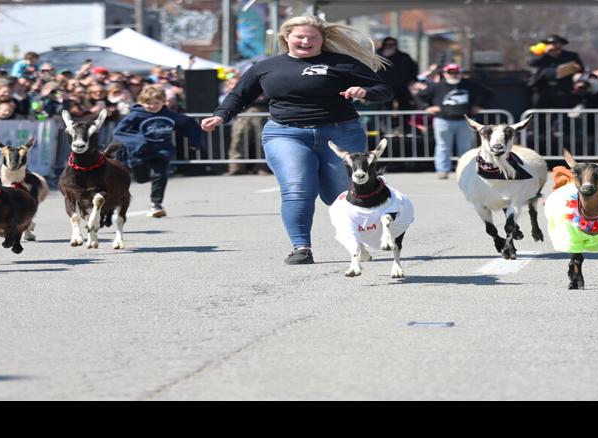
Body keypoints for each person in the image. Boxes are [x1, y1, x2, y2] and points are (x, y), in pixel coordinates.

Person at [202, 15, 392, 265]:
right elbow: (239, 95)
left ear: (322, 40)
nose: (306, 41)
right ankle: (301, 246)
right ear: (286, 38)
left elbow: (384, 90)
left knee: (342, 194)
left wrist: (364, 91)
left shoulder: (342, 63)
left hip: (340, 132)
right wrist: (220, 116)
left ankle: (358, 239)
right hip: (285, 133)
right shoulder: (265, 67)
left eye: (313, 37)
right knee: (297, 189)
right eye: (300, 36)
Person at [114, 85, 206, 218]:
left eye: (156, 103)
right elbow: (120, 131)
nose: (152, 106)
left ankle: (156, 204)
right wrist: (138, 142)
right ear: (141, 102)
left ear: (164, 102)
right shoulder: (135, 115)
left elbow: (188, 124)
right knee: (141, 178)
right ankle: (142, 177)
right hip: (140, 152)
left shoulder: (169, 115)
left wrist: (194, 141)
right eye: (148, 103)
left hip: (161, 150)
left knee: (160, 175)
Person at [416, 63, 491, 179]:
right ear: (445, 74)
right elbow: (419, 96)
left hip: (465, 121)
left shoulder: (469, 84)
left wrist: (478, 105)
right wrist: (427, 107)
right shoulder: (437, 86)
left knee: (465, 147)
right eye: (450, 72)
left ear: (460, 73)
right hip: (442, 120)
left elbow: (488, 93)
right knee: (443, 146)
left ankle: (465, 170)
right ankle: (442, 170)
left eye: (456, 72)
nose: (453, 75)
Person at [529, 35, 583, 109]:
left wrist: (576, 68)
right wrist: (545, 53)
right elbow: (532, 63)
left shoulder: (571, 56)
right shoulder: (541, 55)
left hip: (563, 88)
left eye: (555, 43)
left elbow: (581, 68)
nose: (552, 46)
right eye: (550, 44)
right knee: (539, 111)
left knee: (562, 111)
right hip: (543, 88)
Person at [375, 37, 420, 111]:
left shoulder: (404, 56)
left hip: (402, 87)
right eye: (387, 44)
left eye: (392, 44)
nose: (390, 46)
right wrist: (384, 56)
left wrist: (413, 80)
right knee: (385, 108)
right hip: (385, 87)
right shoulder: (377, 56)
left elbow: (413, 68)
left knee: (404, 106)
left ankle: (404, 123)